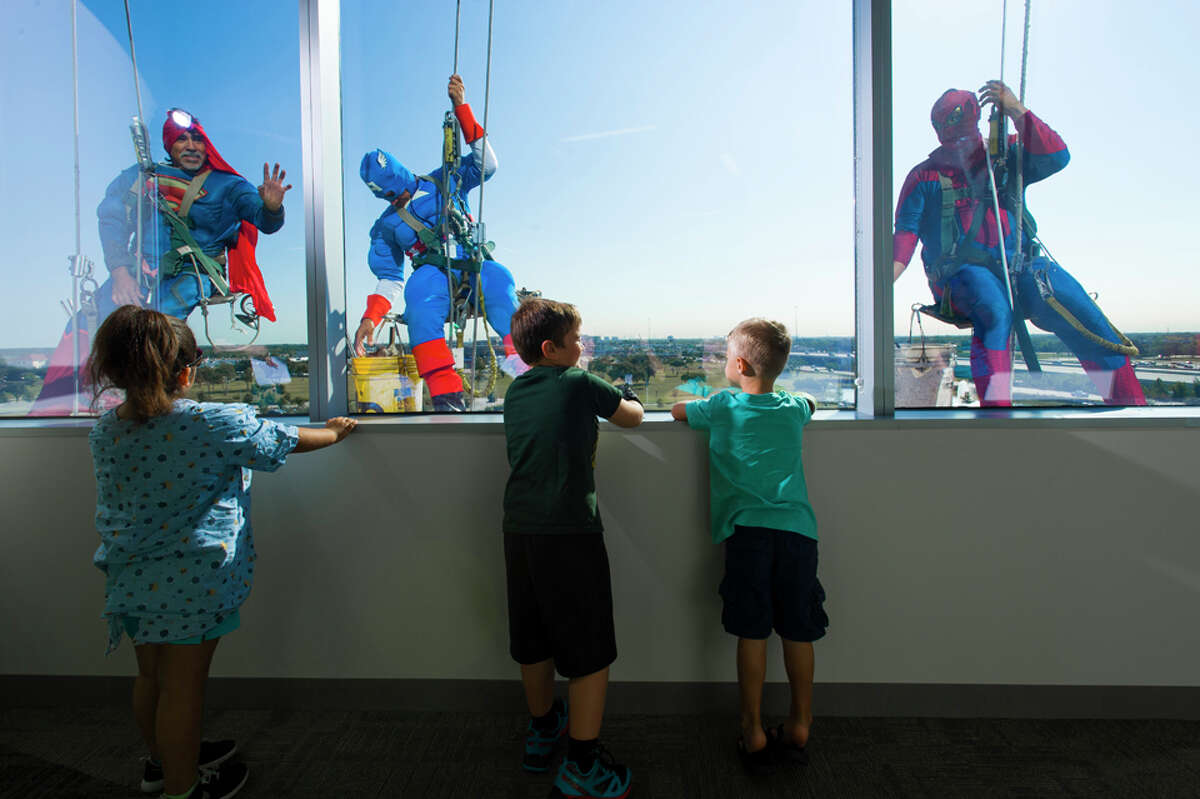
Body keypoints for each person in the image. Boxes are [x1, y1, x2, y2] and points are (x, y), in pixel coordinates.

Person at [87, 305, 355, 799]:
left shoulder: (106, 429)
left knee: (151, 678)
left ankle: (161, 761)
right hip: (193, 579)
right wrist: (336, 432)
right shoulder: (214, 423)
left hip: (130, 576)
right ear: (186, 372)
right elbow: (287, 439)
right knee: (184, 690)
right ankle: (183, 787)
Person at [893, 80, 1145, 406]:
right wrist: (881, 283)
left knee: (1076, 306)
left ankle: (1128, 408)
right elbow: (905, 236)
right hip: (960, 276)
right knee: (993, 309)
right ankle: (998, 416)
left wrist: (1016, 110)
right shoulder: (924, 177)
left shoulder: (1005, 157)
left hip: (1020, 265)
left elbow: (1057, 156)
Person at [31, 108, 292, 416]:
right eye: (182, 140)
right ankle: (71, 400)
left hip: (192, 273)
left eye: (197, 139)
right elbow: (112, 219)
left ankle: (147, 403)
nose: (192, 146)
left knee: (156, 331)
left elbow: (262, 218)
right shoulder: (142, 178)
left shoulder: (229, 186)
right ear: (170, 146)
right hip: (137, 272)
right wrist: (120, 272)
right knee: (87, 326)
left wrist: (272, 207)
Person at [502, 298, 643, 798]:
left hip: (519, 529)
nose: (584, 348)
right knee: (588, 651)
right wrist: (626, 393)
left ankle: (543, 731)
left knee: (534, 638)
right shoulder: (579, 383)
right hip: (570, 532)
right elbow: (632, 417)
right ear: (551, 348)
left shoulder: (515, 392)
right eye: (578, 340)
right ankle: (583, 765)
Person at [671, 318, 825, 775]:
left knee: (752, 630)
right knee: (799, 629)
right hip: (798, 533)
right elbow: (810, 402)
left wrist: (695, 403)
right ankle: (800, 722)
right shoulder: (793, 407)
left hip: (747, 535)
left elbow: (681, 411)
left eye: (723, 358)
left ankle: (753, 727)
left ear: (739, 364)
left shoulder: (722, 407)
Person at [354, 74, 525, 412]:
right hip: (432, 274)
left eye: (397, 189)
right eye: (389, 195)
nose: (398, 197)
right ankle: (446, 395)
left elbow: (487, 165)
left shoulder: (446, 178)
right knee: (418, 303)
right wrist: (370, 317)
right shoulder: (386, 226)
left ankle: (529, 375)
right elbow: (389, 278)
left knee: (501, 284)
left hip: (474, 263)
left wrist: (462, 108)